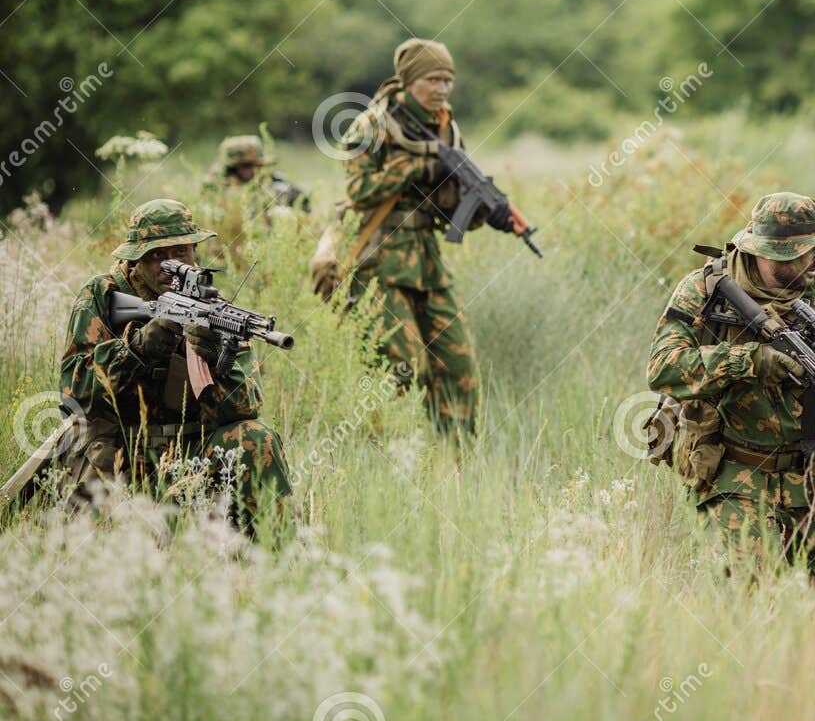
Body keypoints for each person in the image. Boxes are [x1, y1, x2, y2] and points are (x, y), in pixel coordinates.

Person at [647, 192, 815, 574]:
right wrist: (750, 361)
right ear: (774, 254)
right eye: (810, 250)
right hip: (732, 470)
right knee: (750, 586)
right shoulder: (705, 292)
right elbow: (663, 369)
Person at [57, 199, 291, 538]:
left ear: (194, 252)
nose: (170, 266)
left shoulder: (213, 310)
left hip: (187, 458)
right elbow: (74, 392)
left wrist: (215, 360)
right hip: (119, 455)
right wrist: (138, 349)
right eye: (157, 256)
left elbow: (246, 407)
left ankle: (276, 552)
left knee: (257, 437)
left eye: (181, 253)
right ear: (135, 260)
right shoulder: (103, 295)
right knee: (102, 551)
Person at [341, 38, 509, 436]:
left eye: (448, 80)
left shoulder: (447, 128)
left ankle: (455, 458)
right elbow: (358, 190)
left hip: (427, 261)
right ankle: (391, 451)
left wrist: (486, 211)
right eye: (433, 79)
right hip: (379, 260)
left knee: (459, 365)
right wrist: (418, 169)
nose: (442, 88)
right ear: (409, 80)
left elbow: (451, 206)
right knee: (401, 368)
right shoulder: (373, 124)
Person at [202, 134, 309, 217]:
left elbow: (303, 204)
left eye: (256, 165)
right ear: (232, 169)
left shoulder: (273, 182)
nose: (252, 170)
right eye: (246, 166)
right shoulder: (215, 185)